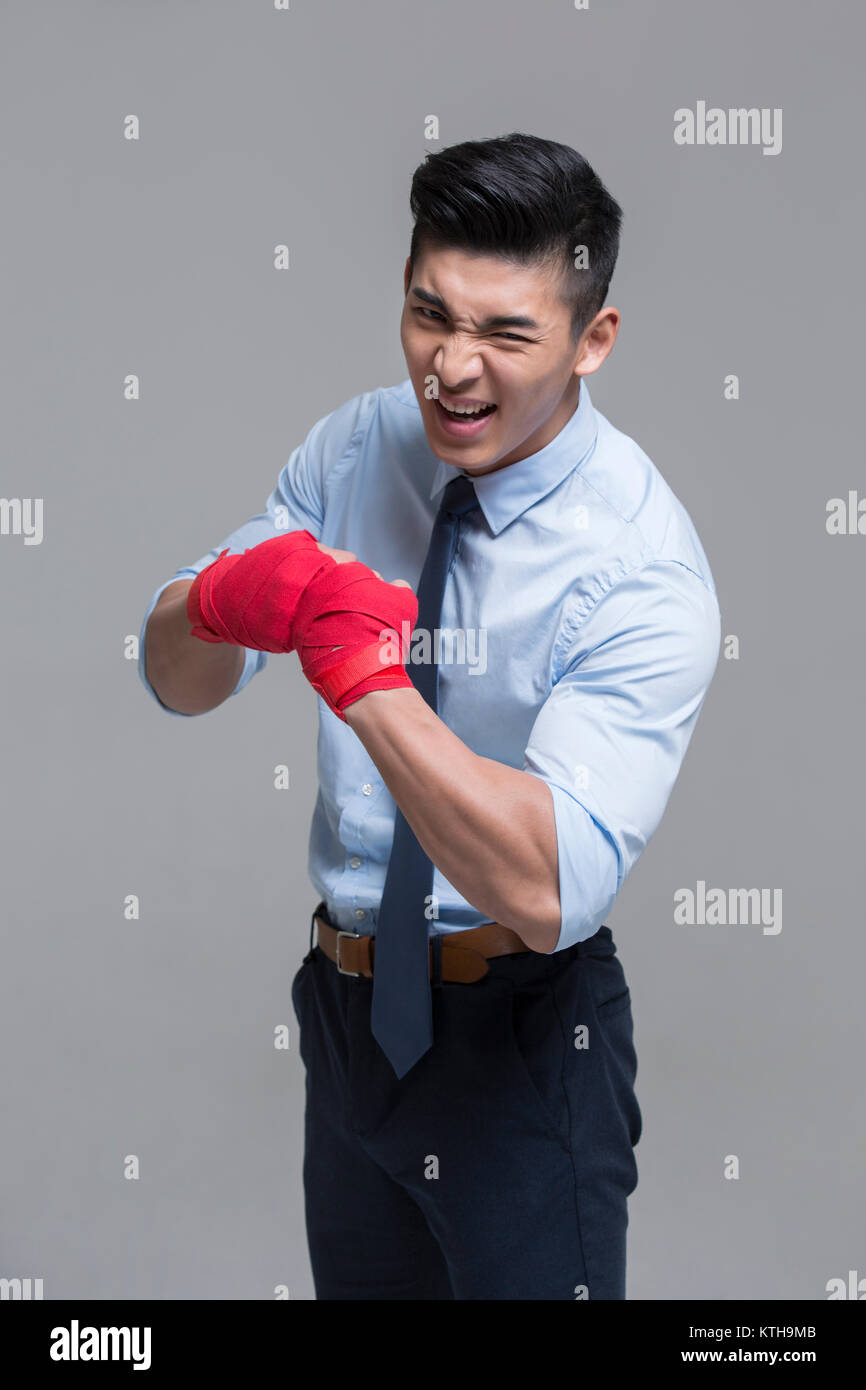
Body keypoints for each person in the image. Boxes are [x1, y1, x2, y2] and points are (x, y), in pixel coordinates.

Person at [138, 132, 721, 1300]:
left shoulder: (641, 568)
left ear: (591, 339)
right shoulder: (356, 445)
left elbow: (549, 885)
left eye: (505, 333)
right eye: (426, 315)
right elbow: (176, 680)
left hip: (520, 1043)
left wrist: (367, 683)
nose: (450, 369)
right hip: (348, 1012)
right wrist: (212, 602)